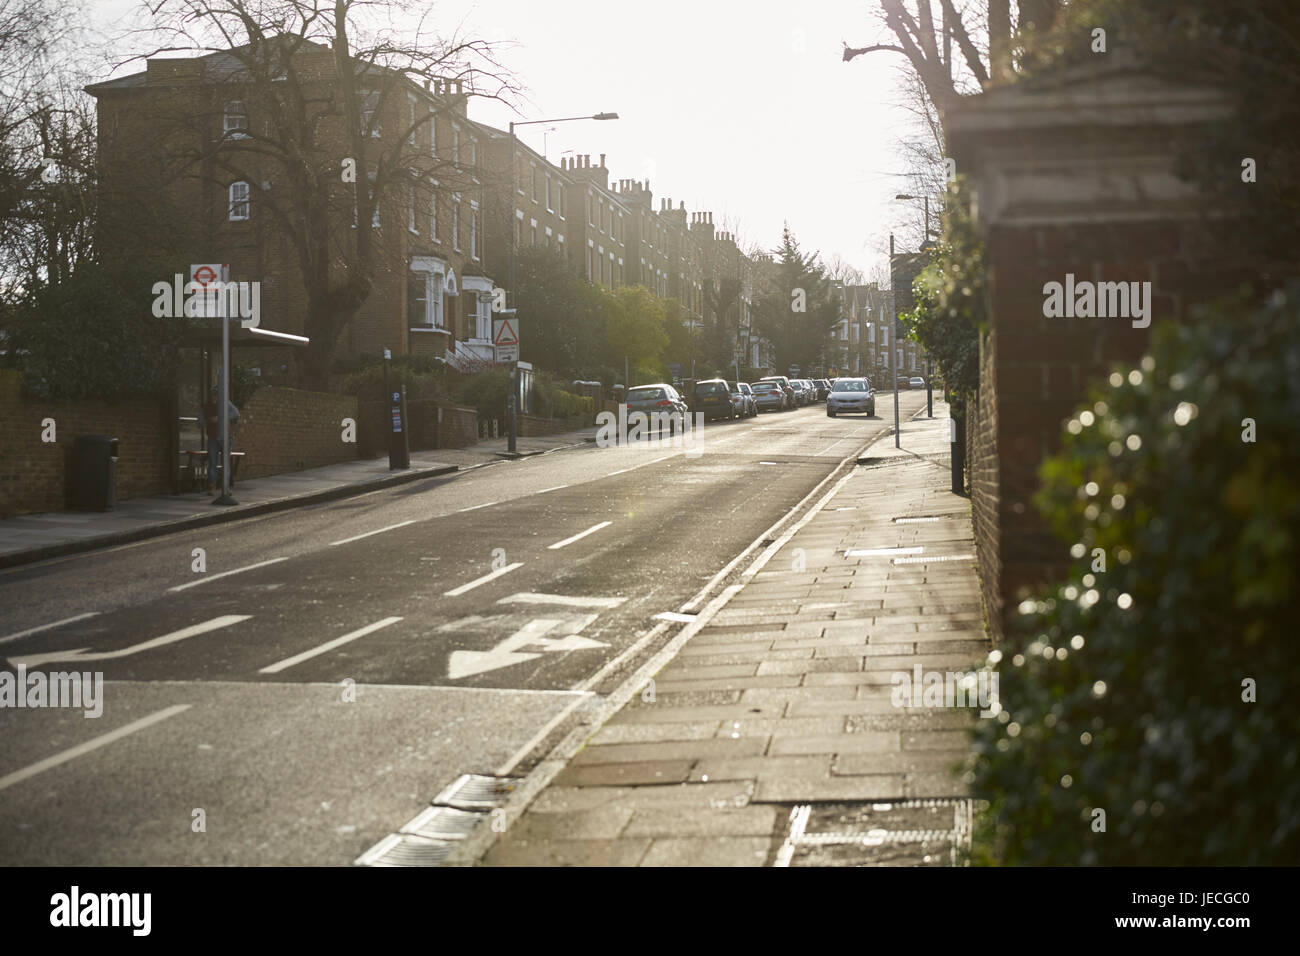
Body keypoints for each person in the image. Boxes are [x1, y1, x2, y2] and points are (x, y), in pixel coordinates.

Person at [202, 387, 240, 494]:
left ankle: (225, 487)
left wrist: (219, 417)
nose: (215, 397)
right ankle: (212, 486)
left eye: (217, 395)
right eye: (213, 395)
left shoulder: (226, 403)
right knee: (212, 463)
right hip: (213, 437)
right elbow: (200, 422)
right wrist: (208, 421)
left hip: (226, 437)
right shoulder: (206, 406)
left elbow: (236, 413)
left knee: (225, 463)